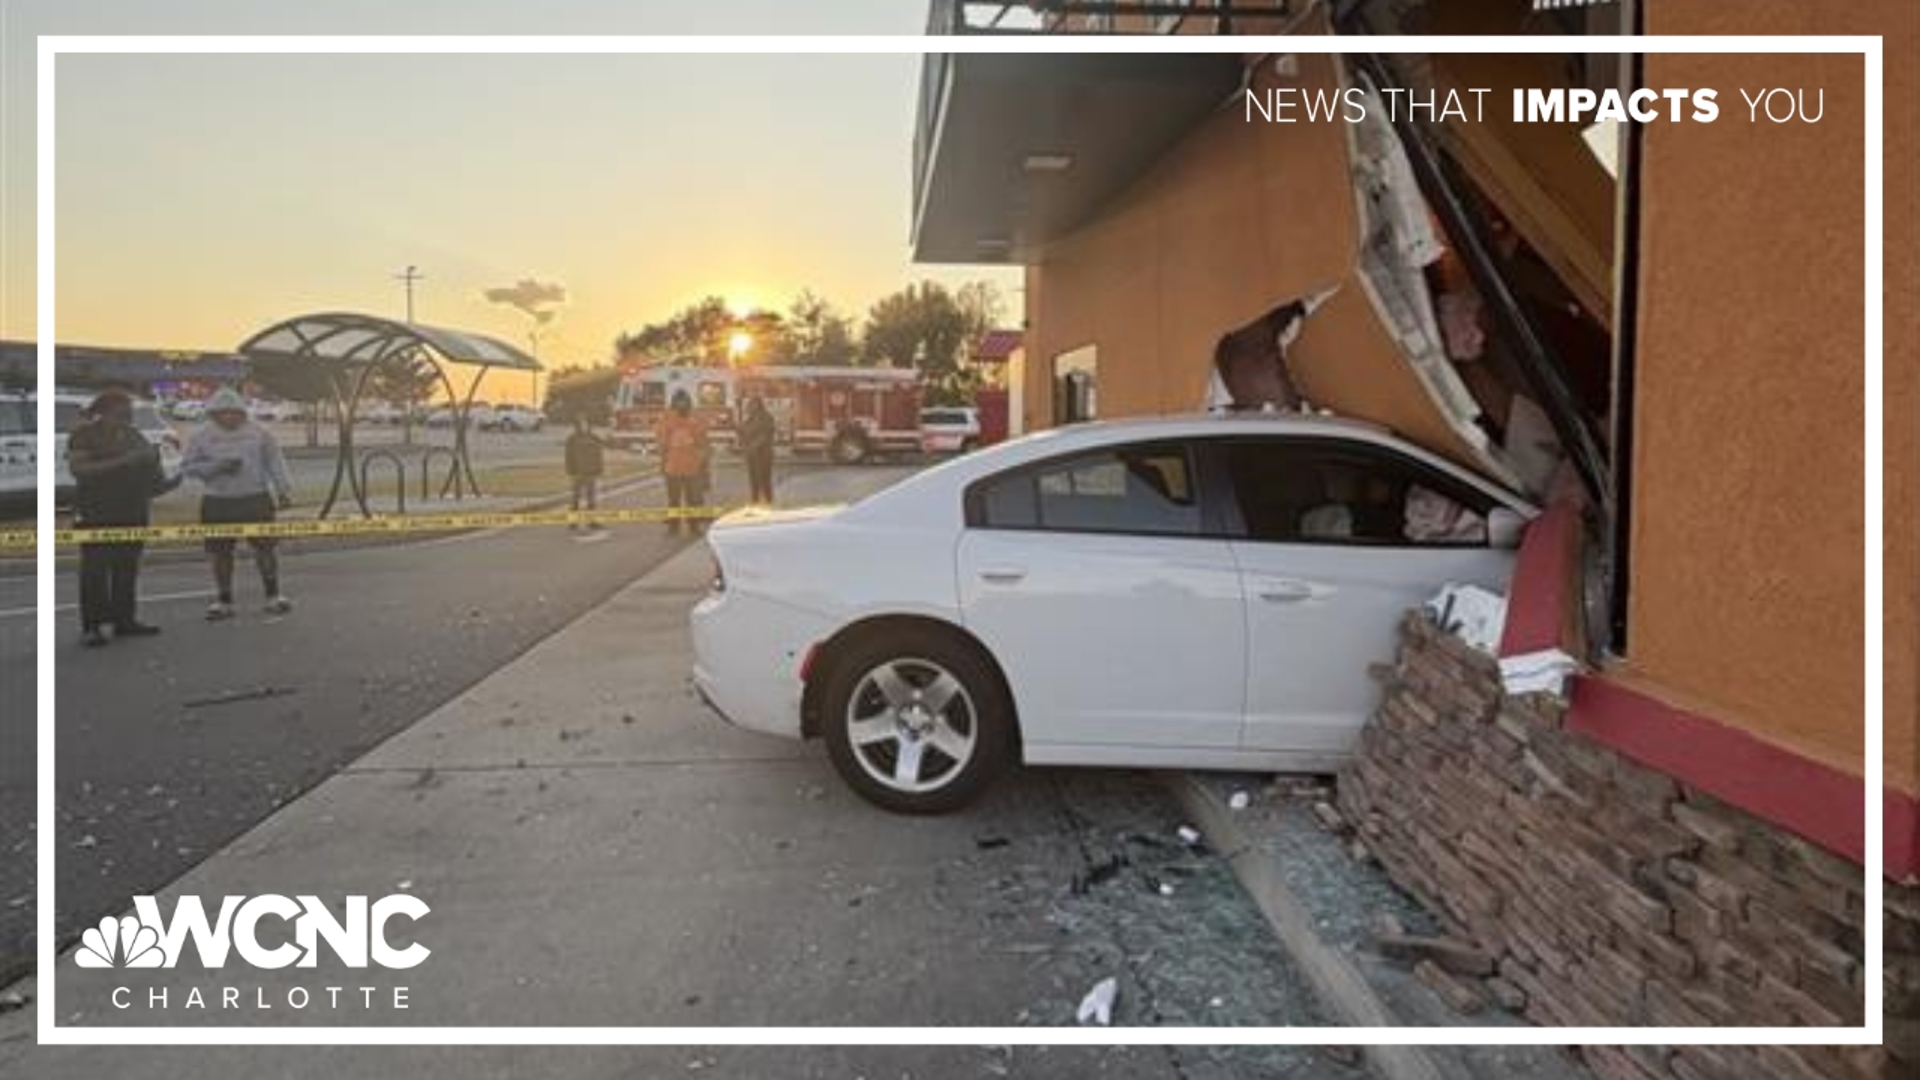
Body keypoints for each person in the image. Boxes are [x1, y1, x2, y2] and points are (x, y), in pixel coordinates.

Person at [67, 390, 173, 646]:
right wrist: (126, 460)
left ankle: (124, 620)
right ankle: (92, 626)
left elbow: (150, 470)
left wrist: (161, 471)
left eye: (129, 412)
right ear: (103, 411)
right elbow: (79, 469)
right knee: (95, 570)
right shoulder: (84, 434)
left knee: (127, 568)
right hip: (96, 510)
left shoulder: (134, 434)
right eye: (121, 412)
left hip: (132, 508)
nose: (127, 416)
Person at [182, 387, 294, 620]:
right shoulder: (201, 435)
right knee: (220, 553)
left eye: (234, 412)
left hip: (255, 498)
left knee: (265, 549)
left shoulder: (259, 432)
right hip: (218, 500)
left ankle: (273, 595)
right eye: (222, 413)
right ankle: (224, 600)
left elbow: (275, 461)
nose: (229, 417)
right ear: (213, 413)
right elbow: (188, 467)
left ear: (242, 412)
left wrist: (283, 490)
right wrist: (216, 467)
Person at [654, 391, 711, 536]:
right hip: (673, 468)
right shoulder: (667, 420)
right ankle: (674, 525)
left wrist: (703, 465)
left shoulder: (696, 420)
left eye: (684, 402)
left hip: (692, 468)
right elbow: (662, 445)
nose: (682, 405)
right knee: (674, 499)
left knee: (692, 499)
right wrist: (663, 464)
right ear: (674, 404)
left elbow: (703, 444)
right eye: (679, 402)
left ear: (689, 403)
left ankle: (693, 525)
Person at [564, 414, 605, 530]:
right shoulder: (572, 439)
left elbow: (599, 454)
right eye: (582, 424)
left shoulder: (593, 437)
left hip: (591, 473)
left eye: (586, 424)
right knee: (575, 500)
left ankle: (592, 521)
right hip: (577, 473)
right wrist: (570, 471)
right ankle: (572, 522)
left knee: (592, 500)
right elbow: (568, 457)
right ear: (577, 425)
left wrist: (599, 469)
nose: (584, 426)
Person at [737, 394, 776, 506]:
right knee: (753, 480)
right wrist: (740, 431)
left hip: (763, 455)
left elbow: (765, 435)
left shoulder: (767, 417)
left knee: (764, 480)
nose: (750, 406)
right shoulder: (749, 419)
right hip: (751, 455)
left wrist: (753, 446)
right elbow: (743, 433)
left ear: (758, 405)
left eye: (752, 404)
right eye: (749, 404)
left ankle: (769, 502)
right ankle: (755, 501)